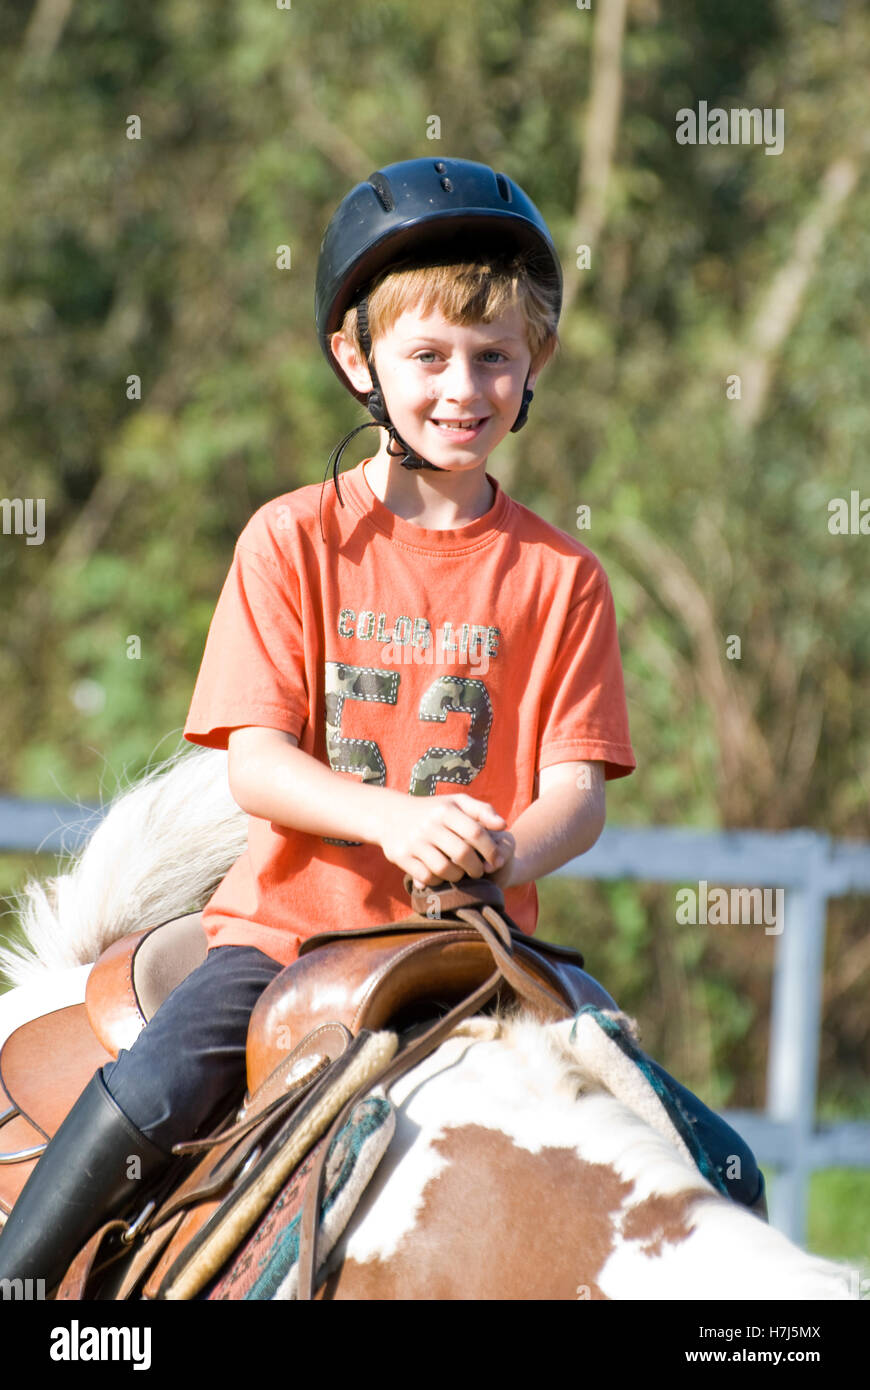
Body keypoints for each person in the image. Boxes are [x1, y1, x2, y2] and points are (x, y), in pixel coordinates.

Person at [0, 157, 765, 1293]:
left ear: (533, 364)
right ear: (358, 361)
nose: (464, 386)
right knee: (156, 1095)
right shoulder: (292, 541)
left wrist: (505, 849)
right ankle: (23, 1281)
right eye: (429, 356)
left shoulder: (564, 577)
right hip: (282, 940)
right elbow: (257, 765)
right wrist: (395, 821)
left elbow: (578, 791)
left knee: (721, 1164)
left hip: (478, 951)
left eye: (494, 356)